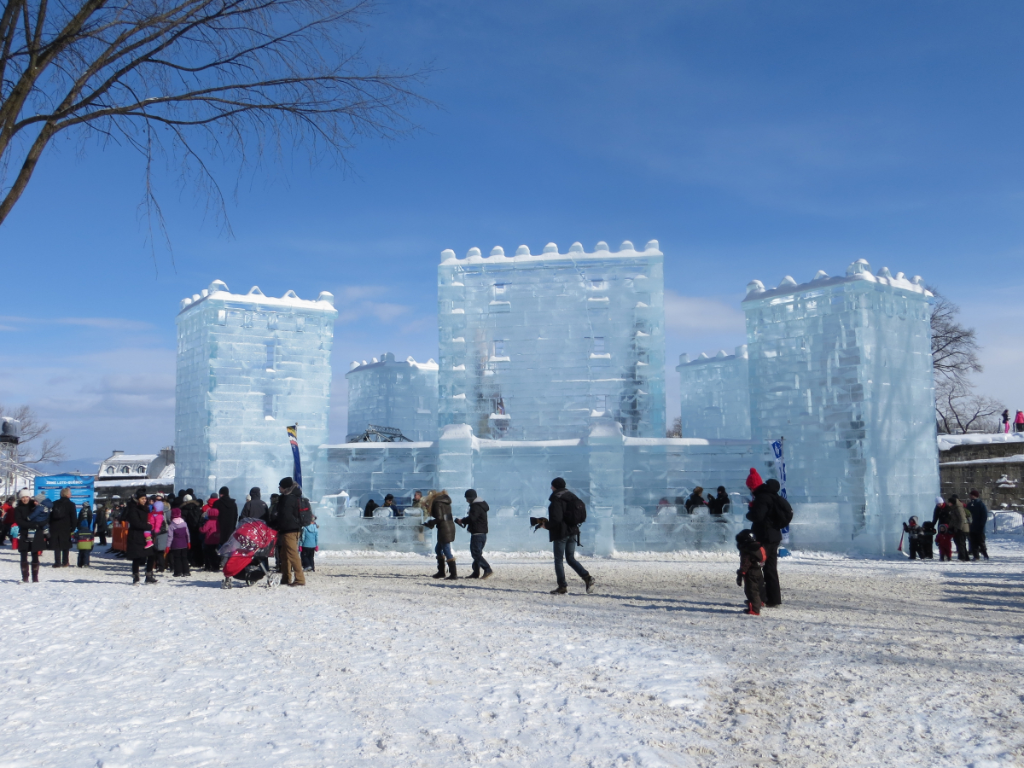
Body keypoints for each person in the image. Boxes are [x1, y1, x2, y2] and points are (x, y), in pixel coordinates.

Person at [744, 469, 790, 608]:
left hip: (765, 537)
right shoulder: (770, 496)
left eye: (749, 487)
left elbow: (758, 516)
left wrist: (750, 512)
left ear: (752, 486)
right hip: (774, 536)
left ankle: (760, 598)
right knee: (770, 568)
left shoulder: (762, 498)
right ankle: (774, 599)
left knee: (756, 567)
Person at [546, 477, 594, 595]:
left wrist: (546, 525)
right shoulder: (572, 496)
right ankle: (587, 577)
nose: (551, 488)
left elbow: (557, 519)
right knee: (570, 558)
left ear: (555, 486)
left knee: (558, 560)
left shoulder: (557, 499)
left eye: (552, 486)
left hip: (561, 533)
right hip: (573, 531)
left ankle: (562, 586)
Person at [272, 476, 306, 586]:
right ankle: (286, 578)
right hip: (291, 529)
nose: (279, 487)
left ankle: (300, 579)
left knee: (292, 554)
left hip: (289, 530)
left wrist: (277, 524)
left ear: (285, 487)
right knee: (284, 554)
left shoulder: (288, 499)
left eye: (280, 486)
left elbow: (285, 516)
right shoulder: (293, 497)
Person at [457, 488, 492, 579]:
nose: (466, 500)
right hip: (482, 533)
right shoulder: (481, 505)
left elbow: (472, 518)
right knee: (477, 554)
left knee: (475, 554)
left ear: (471, 498)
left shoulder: (475, 506)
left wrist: (462, 520)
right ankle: (476, 572)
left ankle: (487, 569)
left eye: (467, 498)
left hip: (477, 533)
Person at [124, 489, 157, 585]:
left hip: (145, 536)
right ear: (137, 499)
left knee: (152, 554)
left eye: (145, 498)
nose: (144, 500)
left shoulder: (145, 508)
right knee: (137, 557)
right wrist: (149, 526)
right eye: (142, 498)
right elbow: (136, 523)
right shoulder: (133, 509)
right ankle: (136, 576)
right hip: (136, 536)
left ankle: (149, 575)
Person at [423, 490, 457, 580]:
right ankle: (441, 572)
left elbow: (439, 517)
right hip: (448, 526)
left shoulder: (437, 503)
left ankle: (453, 574)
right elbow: (441, 515)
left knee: (446, 549)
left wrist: (430, 522)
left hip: (444, 528)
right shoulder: (444, 502)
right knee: (438, 549)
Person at [14, 489, 45, 583]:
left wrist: (39, 525)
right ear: (20, 498)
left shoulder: (35, 506)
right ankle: (25, 577)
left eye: (26, 497)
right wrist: (31, 525)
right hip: (24, 534)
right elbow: (19, 521)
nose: (25, 499)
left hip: (36, 533)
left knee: (35, 555)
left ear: (29, 497)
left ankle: (35, 577)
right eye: (23, 497)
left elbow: (44, 517)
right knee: (23, 555)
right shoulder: (18, 509)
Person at [735, 529, 765, 616]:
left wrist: (741, 573)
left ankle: (754, 610)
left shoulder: (747, 550)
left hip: (751, 572)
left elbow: (745, 563)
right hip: (758, 571)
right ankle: (757, 603)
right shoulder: (757, 547)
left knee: (751, 591)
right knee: (757, 589)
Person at [49, 487, 77, 568]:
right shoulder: (71, 504)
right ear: (67, 494)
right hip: (66, 526)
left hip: (55, 526)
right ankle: (65, 562)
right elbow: (73, 517)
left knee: (56, 545)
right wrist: (73, 527)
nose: (71, 494)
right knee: (66, 545)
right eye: (70, 493)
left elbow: (50, 516)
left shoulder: (54, 503)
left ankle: (57, 562)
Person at [966, 489, 989, 561]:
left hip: (979, 527)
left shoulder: (980, 504)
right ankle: (976, 556)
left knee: (981, 542)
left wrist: (981, 525)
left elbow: (984, 516)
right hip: (972, 527)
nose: (970, 496)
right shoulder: (969, 505)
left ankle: (985, 554)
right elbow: (966, 515)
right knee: (973, 543)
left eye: (971, 495)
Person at [946, 494, 971, 562]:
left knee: (961, 543)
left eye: (949, 502)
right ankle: (965, 557)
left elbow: (962, 519)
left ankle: (962, 557)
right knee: (958, 542)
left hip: (962, 528)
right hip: (957, 528)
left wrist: (959, 528)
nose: (948, 504)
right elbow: (953, 520)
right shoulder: (954, 508)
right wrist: (950, 527)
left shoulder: (958, 508)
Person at [167, 508, 191, 577]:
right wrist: (188, 542)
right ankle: (186, 571)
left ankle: (178, 572)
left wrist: (168, 546)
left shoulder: (171, 525)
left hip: (175, 544)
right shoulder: (184, 523)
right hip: (184, 543)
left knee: (177, 558)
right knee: (184, 558)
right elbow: (187, 534)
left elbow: (170, 536)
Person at [76, 502, 95, 567]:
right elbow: (90, 518)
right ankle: (86, 563)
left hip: (82, 526)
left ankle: (80, 563)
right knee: (86, 554)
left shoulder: (82, 510)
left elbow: (79, 518)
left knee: (80, 553)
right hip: (87, 526)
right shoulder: (89, 510)